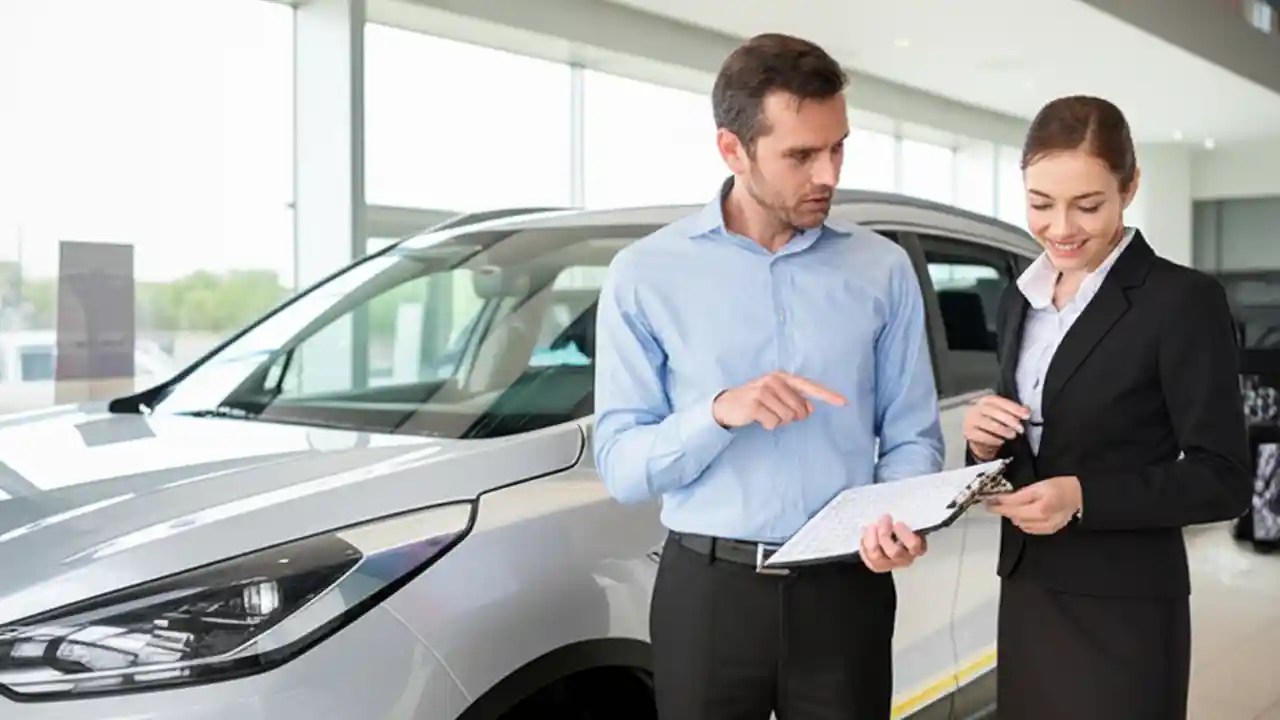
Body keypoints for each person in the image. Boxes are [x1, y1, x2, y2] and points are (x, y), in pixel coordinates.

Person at [591, 32, 944, 720]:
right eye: (802, 155)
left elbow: (911, 435)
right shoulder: (645, 275)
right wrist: (719, 411)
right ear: (732, 149)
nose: (829, 175)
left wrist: (899, 514)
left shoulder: (883, 270)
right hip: (709, 597)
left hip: (846, 592)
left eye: (839, 146)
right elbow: (622, 466)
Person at [962, 95, 1252, 719]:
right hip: (1029, 590)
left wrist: (1084, 497)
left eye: (1087, 205)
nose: (1061, 228)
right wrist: (984, 444)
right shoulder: (1021, 297)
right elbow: (1033, 444)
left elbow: (1223, 479)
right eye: (1040, 204)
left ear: (1130, 187)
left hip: (1124, 604)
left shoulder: (1180, 301)